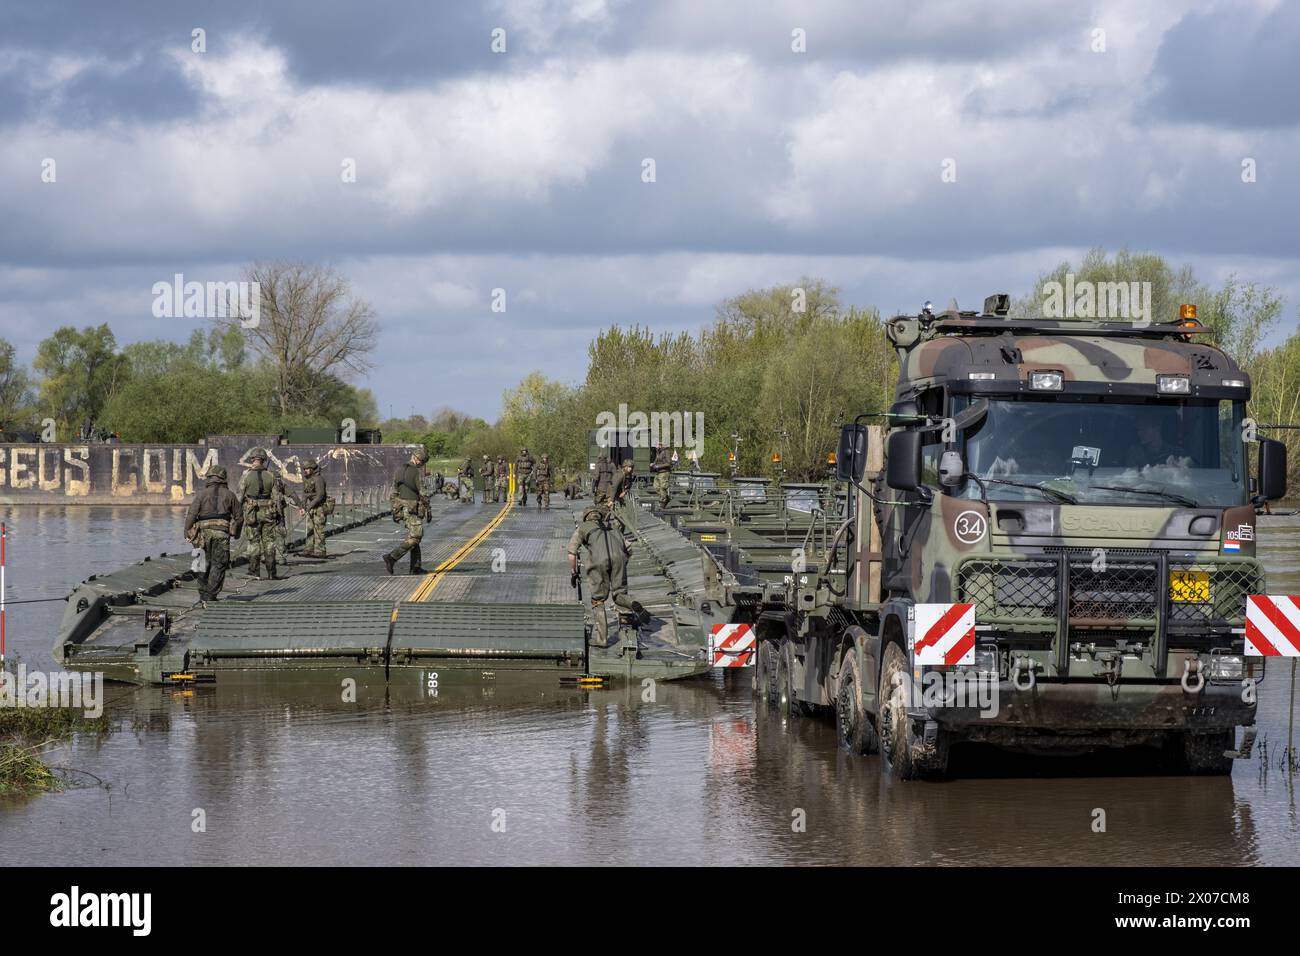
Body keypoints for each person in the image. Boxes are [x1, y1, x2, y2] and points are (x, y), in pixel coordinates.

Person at [567, 494, 636, 650]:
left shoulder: (583, 528)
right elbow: (629, 548)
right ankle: (631, 605)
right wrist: (623, 565)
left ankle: (602, 639)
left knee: (598, 600)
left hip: (598, 562)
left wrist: (573, 572)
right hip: (619, 559)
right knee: (619, 594)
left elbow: (571, 553)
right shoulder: (614, 528)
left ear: (586, 517)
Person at [185, 465, 241, 604]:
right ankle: (211, 595)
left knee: (200, 563)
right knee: (219, 564)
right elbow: (239, 517)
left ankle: (203, 594)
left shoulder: (201, 494)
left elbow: (191, 514)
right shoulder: (230, 495)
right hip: (221, 533)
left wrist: (186, 532)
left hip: (202, 535)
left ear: (210, 478)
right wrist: (235, 532)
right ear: (223, 478)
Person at [238, 448, 284, 580]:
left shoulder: (246, 476)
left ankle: (254, 572)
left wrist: (236, 517)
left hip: (252, 514)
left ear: (252, 459)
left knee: (253, 542)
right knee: (269, 542)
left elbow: (239, 498)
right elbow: (277, 498)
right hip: (269, 513)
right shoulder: (271, 476)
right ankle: (271, 573)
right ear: (263, 460)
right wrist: (279, 517)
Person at [385, 447, 430, 574]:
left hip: (401, 507)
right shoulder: (416, 473)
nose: (422, 465)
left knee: (413, 536)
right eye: (422, 462)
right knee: (416, 536)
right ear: (418, 460)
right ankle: (392, 557)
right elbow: (423, 493)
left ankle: (415, 567)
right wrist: (428, 508)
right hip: (412, 508)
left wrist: (394, 509)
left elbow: (393, 491)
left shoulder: (399, 470)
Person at [298, 457, 329, 558]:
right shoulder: (307, 479)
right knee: (310, 528)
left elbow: (320, 495)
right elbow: (304, 494)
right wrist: (302, 506)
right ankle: (309, 548)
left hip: (319, 507)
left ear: (312, 469)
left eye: (307, 469)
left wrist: (308, 507)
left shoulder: (318, 479)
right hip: (311, 507)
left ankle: (320, 550)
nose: (305, 471)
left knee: (319, 529)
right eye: (304, 469)